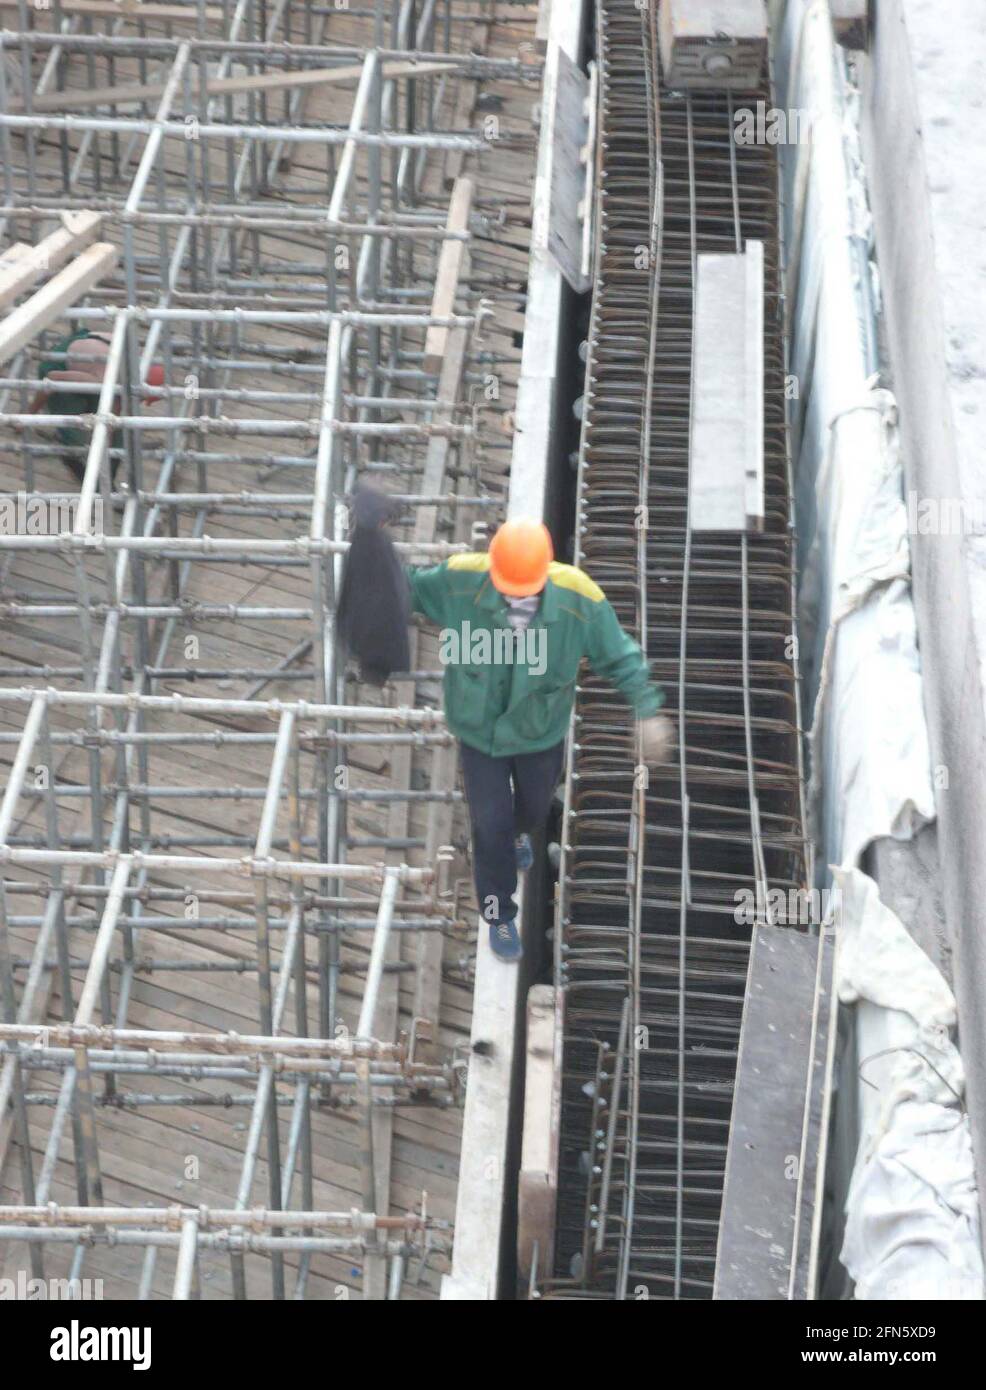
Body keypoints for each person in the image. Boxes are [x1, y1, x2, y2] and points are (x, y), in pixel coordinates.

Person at [408, 517, 673, 961]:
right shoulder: (459, 581)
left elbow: (619, 654)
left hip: (539, 732)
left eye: (522, 589)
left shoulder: (579, 599)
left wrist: (646, 707)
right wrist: (368, 551)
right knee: (488, 824)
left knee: (532, 808)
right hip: (481, 734)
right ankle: (498, 912)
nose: (513, 596)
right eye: (506, 586)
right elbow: (407, 588)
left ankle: (516, 836)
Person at [22, 329, 165, 485]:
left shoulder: (136, 359)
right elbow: (51, 380)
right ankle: (75, 462)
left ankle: (105, 483)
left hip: (90, 347)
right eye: (141, 398)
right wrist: (28, 417)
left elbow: (116, 410)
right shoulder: (101, 378)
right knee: (74, 434)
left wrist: (109, 439)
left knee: (117, 434)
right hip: (60, 365)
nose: (138, 402)